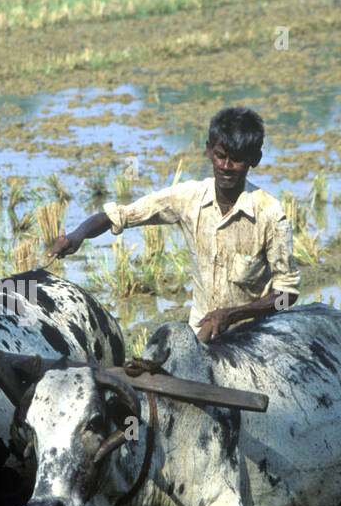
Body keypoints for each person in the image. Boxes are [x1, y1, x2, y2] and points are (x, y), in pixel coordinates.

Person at [49, 107, 300, 343]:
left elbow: (287, 296)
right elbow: (119, 215)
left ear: (254, 159)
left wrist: (234, 314)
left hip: (253, 339)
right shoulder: (188, 197)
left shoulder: (269, 213)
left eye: (235, 160)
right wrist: (75, 236)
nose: (225, 167)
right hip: (200, 336)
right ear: (209, 151)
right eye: (220, 156)